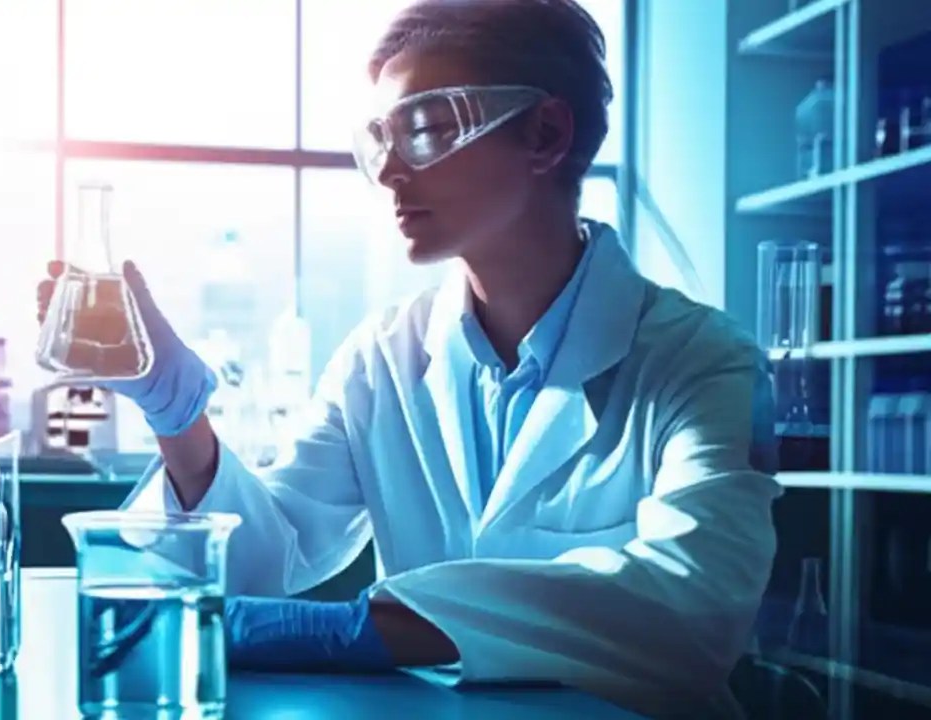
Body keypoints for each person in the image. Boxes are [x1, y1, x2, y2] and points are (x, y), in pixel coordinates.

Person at [38, 0, 780, 716]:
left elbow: (692, 609)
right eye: (381, 141)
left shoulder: (702, 364)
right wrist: (176, 411)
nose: (391, 171)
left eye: (424, 130)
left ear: (546, 134)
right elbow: (267, 558)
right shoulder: (381, 361)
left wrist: (366, 629)